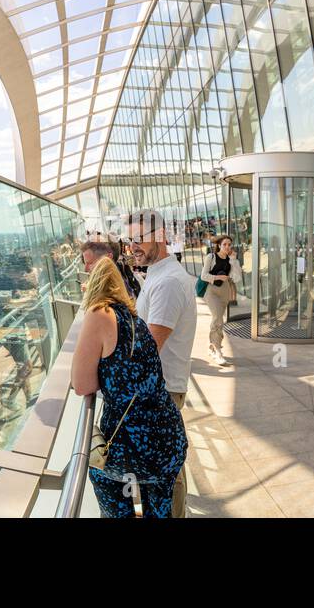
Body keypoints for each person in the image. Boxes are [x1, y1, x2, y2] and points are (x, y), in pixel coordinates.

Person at [71, 257, 187, 517]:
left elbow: (81, 385)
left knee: (99, 472)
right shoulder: (135, 319)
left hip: (135, 445)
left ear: (92, 286)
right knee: (159, 510)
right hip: (170, 440)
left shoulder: (99, 312)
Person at [127, 208, 198, 518]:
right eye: (128, 240)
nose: (132, 247)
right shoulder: (157, 275)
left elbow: (149, 349)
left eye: (139, 239)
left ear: (160, 236)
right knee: (167, 465)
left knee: (165, 470)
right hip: (161, 387)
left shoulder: (168, 282)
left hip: (162, 389)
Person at [200, 235, 236, 367]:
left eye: (229, 244)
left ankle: (212, 346)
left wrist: (233, 261)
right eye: (225, 244)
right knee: (217, 318)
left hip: (224, 291)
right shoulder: (211, 257)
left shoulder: (230, 259)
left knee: (218, 320)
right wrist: (217, 277)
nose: (227, 247)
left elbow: (236, 277)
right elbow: (204, 275)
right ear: (219, 245)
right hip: (211, 291)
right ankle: (218, 351)